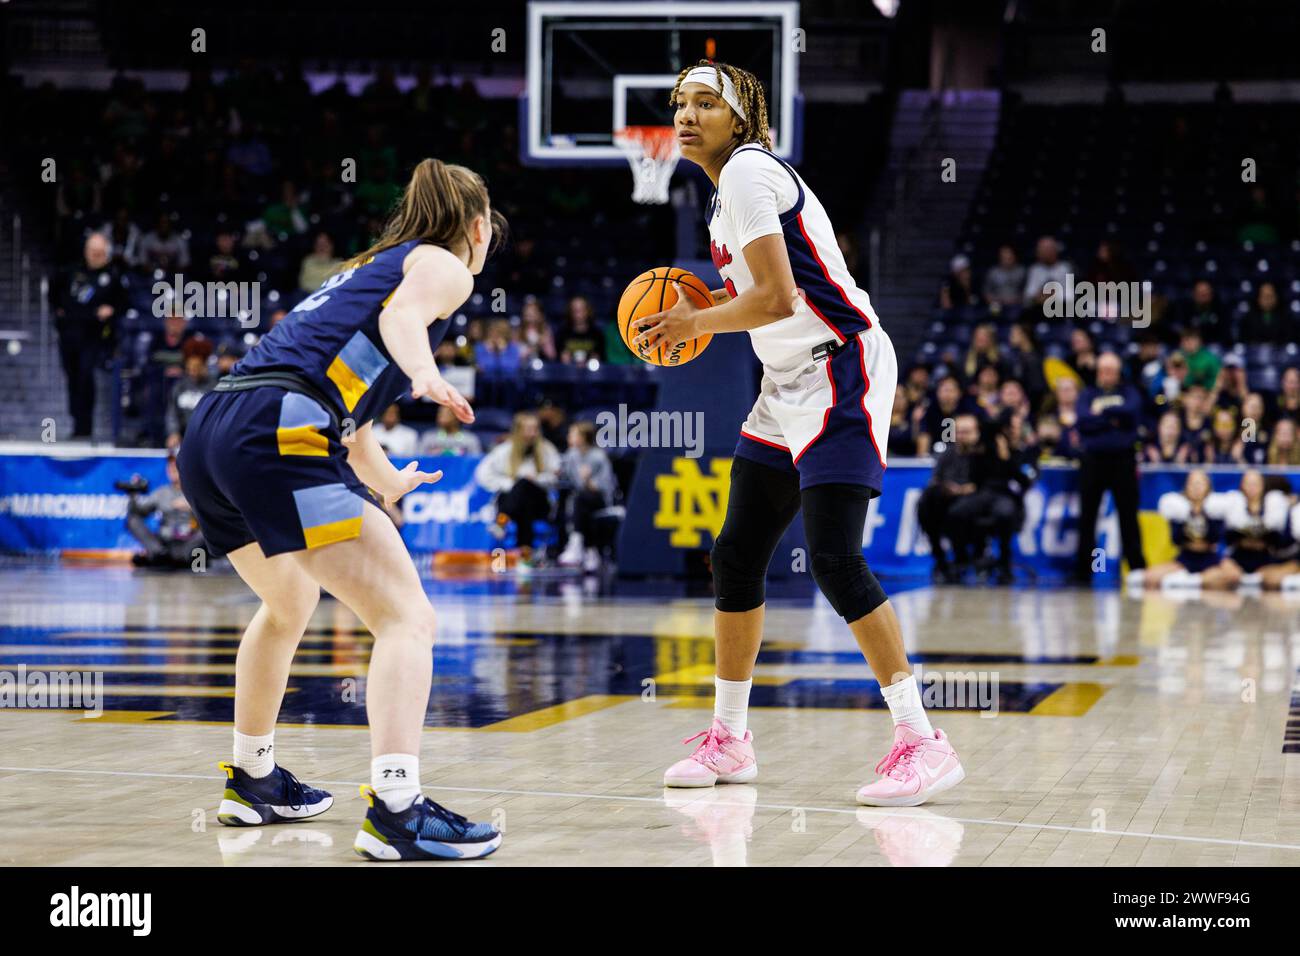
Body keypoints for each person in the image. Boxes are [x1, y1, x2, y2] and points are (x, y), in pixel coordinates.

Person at [633, 61, 963, 806]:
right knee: (738, 552)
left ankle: (924, 741)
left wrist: (696, 320)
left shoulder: (749, 172)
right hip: (785, 384)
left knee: (835, 561)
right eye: (679, 103)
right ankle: (731, 740)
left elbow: (780, 297)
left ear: (741, 117)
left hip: (840, 365)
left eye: (705, 103)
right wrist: (703, 304)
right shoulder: (726, 197)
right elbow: (762, 291)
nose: (686, 115)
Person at [177, 158, 505, 861]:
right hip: (276, 429)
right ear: (477, 229)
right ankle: (396, 811)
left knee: (289, 599)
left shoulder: (368, 265)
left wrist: (384, 478)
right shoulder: (446, 267)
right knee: (406, 616)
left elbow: (345, 407)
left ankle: (254, 776)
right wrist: (425, 373)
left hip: (214, 432)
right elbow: (405, 318)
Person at [1073, 352, 1146, 585]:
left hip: (1123, 461)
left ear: (1118, 372)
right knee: (1088, 517)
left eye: (1111, 370)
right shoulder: (1088, 394)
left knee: (1128, 516)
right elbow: (1083, 421)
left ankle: (1136, 569)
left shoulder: (1129, 392)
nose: (1106, 374)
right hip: (1093, 461)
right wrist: (1113, 420)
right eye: (1102, 370)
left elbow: (1132, 413)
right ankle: (1085, 571)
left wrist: (1101, 414)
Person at [51, 233, 122, 438]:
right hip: (70, 334)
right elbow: (54, 293)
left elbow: (123, 304)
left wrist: (111, 311)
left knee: (85, 376)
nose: (95, 256)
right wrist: (59, 311)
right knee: (72, 378)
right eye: (93, 252)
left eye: (100, 253)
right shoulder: (70, 272)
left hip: (94, 337)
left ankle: (85, 426)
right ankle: (76, 422)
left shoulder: (112, 276)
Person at [473, 411, 561, 570]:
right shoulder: (504, 450)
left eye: (535, 429)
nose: (532, 433)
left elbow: (556, 477)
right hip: (518, 504)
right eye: (528, 429)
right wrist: (508, 483)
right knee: (519, 497)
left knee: (524, 485)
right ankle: (525, 556)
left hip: (540, 503)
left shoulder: (547, 450)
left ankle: (501, 522)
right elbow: (482, 473)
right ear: (518, 430)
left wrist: (536, 479)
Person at [916, 413, 980, 583]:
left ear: (976, 433)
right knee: (925, 503)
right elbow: (935, 479)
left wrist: (966, 489)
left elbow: (986, 483)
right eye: (958, 432)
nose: (961, 436)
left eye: (966, 432)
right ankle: (940, 558)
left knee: (957, 513)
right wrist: (946, 487)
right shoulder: (948, 453)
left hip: (973, 501)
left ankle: (962, 558)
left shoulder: (982, 454)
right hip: (947, 499)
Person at [1200, 470, 1290, 589]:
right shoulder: (1233, 504)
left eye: (1255, 484)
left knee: (1272, 580)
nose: (1252, 488)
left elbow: (1280, 540)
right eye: (1248, 483)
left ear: (1263, 485)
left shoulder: (1273, 506)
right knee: (1217, 579)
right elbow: (1224, 539)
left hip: (1265, 558)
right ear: (1242, 485)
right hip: (1239, 557)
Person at [1144, 470, 1224, 588]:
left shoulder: (1215, 508)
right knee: (1150, 577)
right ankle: (1191, 581)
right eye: (1192, 484)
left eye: (1200, 484)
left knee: (1230, 577)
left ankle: (1195, 581)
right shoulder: (1178, 508)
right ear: (1186, 487)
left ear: (1208, 487)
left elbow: (1216, 538)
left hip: (1209, 559)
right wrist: (1188, 515)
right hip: (1185, 558)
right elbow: (1176, 539)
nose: (1196, 488)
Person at [122, 454, 205, 568]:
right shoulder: (161, 493)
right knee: (133, 521)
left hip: (189, 541)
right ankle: (158, 553)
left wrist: (193, 506)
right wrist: (133, 495)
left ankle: (179, 558)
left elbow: (213, 515)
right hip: (165, 542)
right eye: (170, 466)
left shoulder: (196, 491)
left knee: (207, 533)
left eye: (176, 466)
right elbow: (139, 512)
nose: (173, 469)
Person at [555, 421, 616, 571]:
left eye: (573, 434)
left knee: (582, 499)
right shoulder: (571, 455)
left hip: (599, 499)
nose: (569, 437)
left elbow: (606, 487)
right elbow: (565, 476)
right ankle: (590, 551)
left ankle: (577, 541)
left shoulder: (598, 457)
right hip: (580, 500)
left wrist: (588, 480)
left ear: (583, 437)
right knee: (579, 502)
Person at [418, 404, 482, 457]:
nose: (442, 416)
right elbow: (420, 460)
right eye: (440, 413)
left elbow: (475, 463)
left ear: (458, 416)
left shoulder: (470, 439)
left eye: (447, 413)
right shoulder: (428, 437)